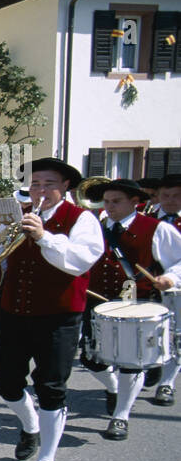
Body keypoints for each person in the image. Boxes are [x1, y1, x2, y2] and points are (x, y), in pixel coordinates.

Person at [0, 158, 103, 461]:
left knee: (51, 388)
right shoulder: (18, 211)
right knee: (5, 383)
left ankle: (45, 460)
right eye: (35, 184)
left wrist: (43, 237)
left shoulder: (82, 219)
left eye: (49, 184)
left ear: (65, 186)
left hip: (58, 316)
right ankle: (30, 425)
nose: (40, 191)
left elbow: (79, 261)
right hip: (13, 311)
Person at [79, 179, 181, 438]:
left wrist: (170, 278)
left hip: (138, 304)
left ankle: (121, 415)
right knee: (91, 360)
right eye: (107, 202)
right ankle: (114, 389)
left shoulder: (155, 229)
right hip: (98, 302)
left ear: (135, 202)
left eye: (116, 202)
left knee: (130, 363)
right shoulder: (95, 228)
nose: (109, 207)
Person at [152, 175, 181, 405]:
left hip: (178, 288)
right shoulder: (147, 220)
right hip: (151, 287)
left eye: (177, 196)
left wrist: (172, 277)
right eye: (166, 196)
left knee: (176, 337)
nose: (170, 201)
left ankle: (167, 383)